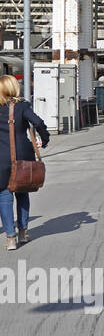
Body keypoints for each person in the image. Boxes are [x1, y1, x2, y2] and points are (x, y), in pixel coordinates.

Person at [0, 74, 50, 250]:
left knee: (4, 196)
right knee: (22, 193)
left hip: (1, 159)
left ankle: (10, 237)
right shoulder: (22, 106)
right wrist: (43, 140)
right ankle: (23, 231)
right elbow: (39, 123)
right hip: (22, 156)